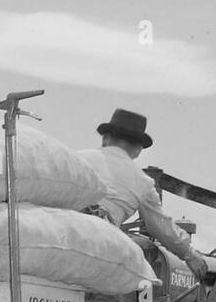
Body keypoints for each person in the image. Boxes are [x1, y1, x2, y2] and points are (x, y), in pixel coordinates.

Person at [77, 109, 209, 280]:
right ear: (139, 149)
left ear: (105, 138)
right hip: (100, 246)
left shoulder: (78, 158)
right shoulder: (142, 182)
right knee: (147, 289)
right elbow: (161, 227)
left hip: (63, 229)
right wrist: (190, 255)